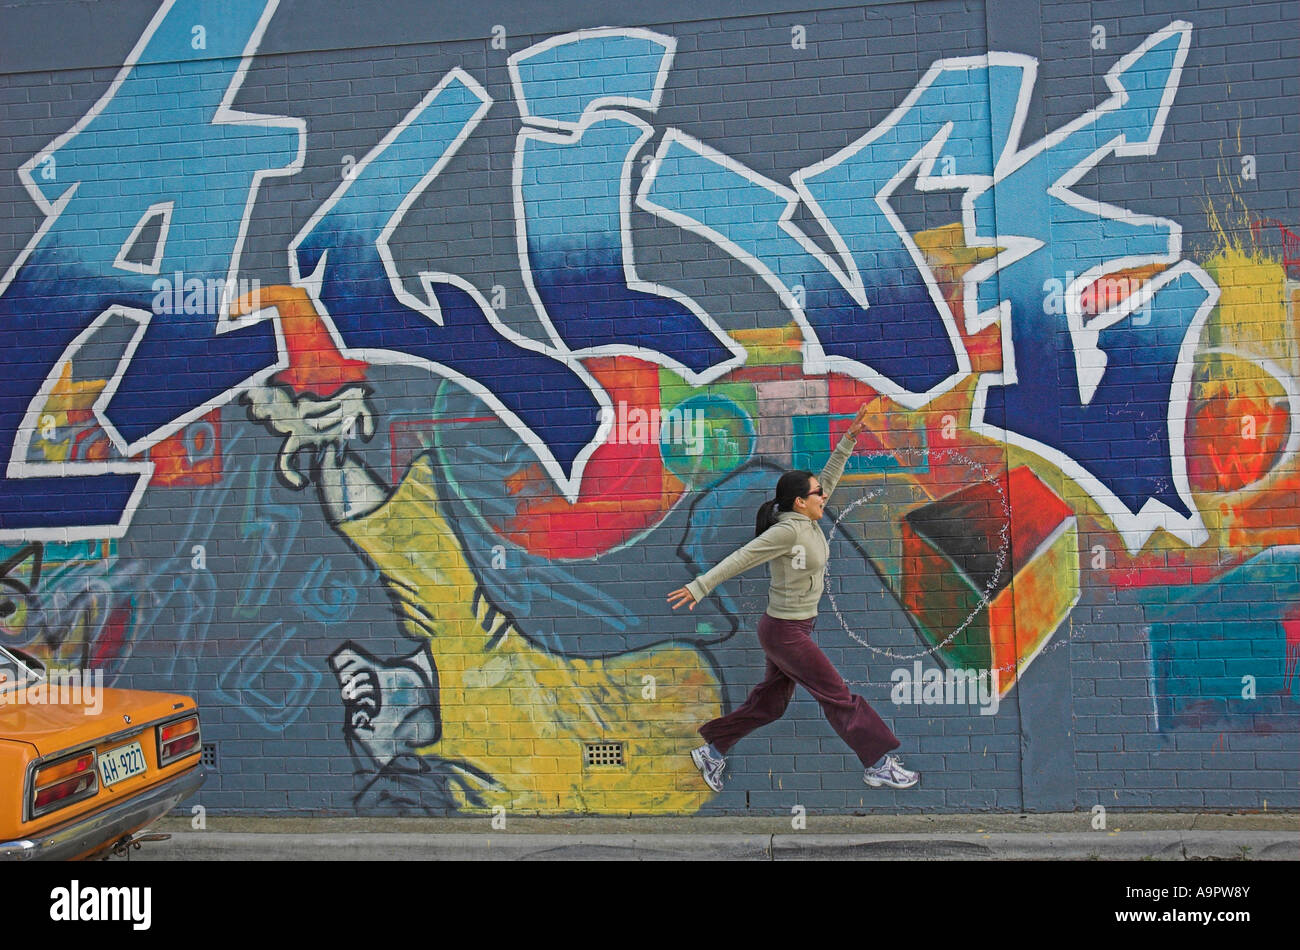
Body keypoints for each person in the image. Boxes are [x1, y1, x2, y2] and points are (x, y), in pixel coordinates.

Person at [667, 403, 919, 792]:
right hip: (786, 632)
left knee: (770, 704)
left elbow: (830, 475)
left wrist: (849, 438)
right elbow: (742, 557)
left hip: (792, 627)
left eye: (821, 491)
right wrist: (700, 587)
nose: (824, 495)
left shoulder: (808, 516)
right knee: (837, 696)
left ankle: (712, 750)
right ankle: (878, 763)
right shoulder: (787, 531)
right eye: (817, 493)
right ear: (800, 501)